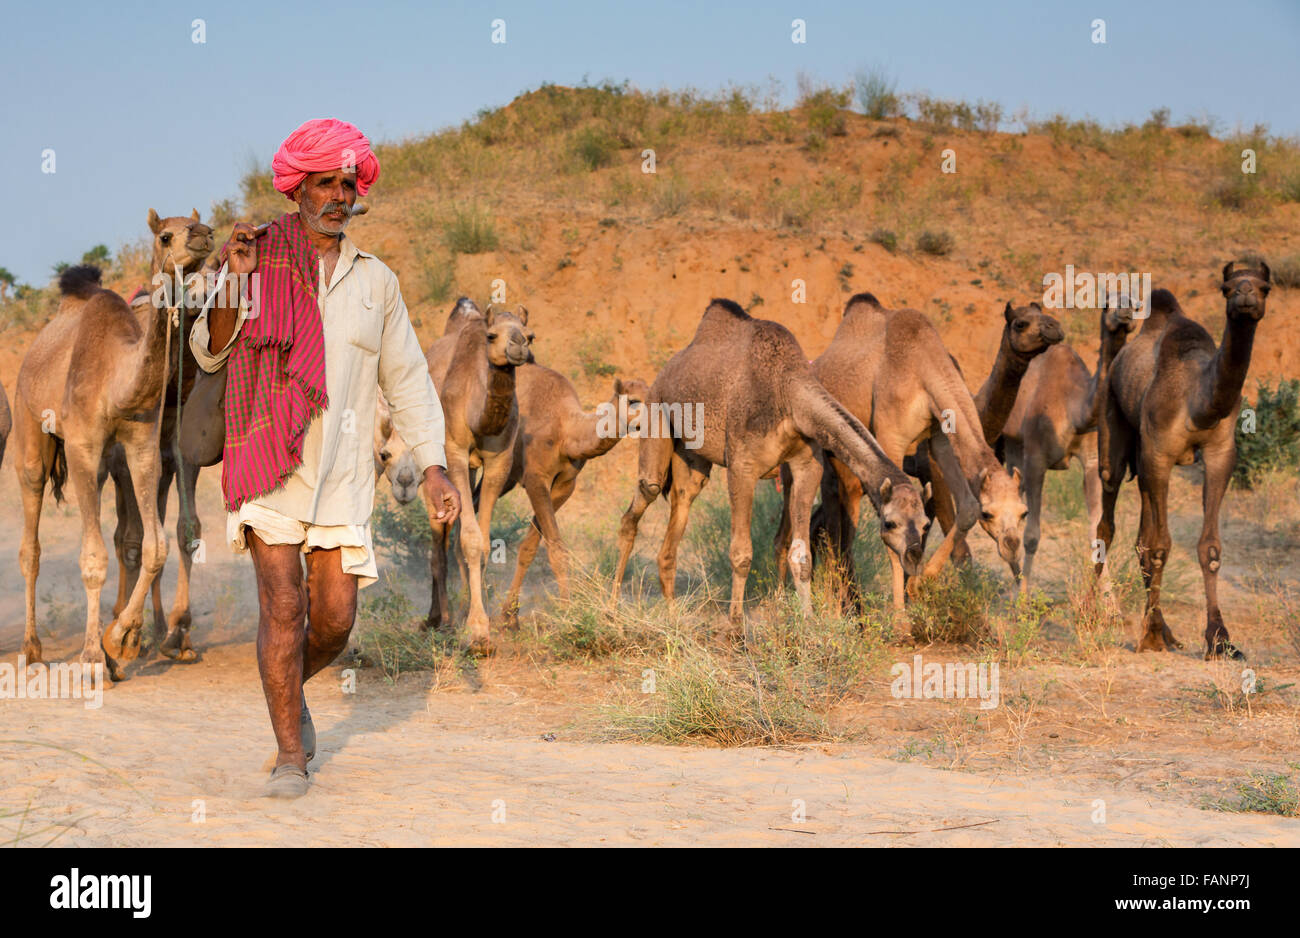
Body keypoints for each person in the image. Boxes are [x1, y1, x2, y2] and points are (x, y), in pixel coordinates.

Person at [192, 118, 461, 798]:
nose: (339, 196)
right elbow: (209, 348)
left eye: (349, 184)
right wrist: (234, 281)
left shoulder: (377, 283)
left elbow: (407, 381)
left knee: (335, 619)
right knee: (283, 608)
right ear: (298, 188)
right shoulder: (251, 258)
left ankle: (287, 690)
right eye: (325, 183)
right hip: (267, 460)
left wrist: (433, 467)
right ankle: (290, 755)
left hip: (343, 474)